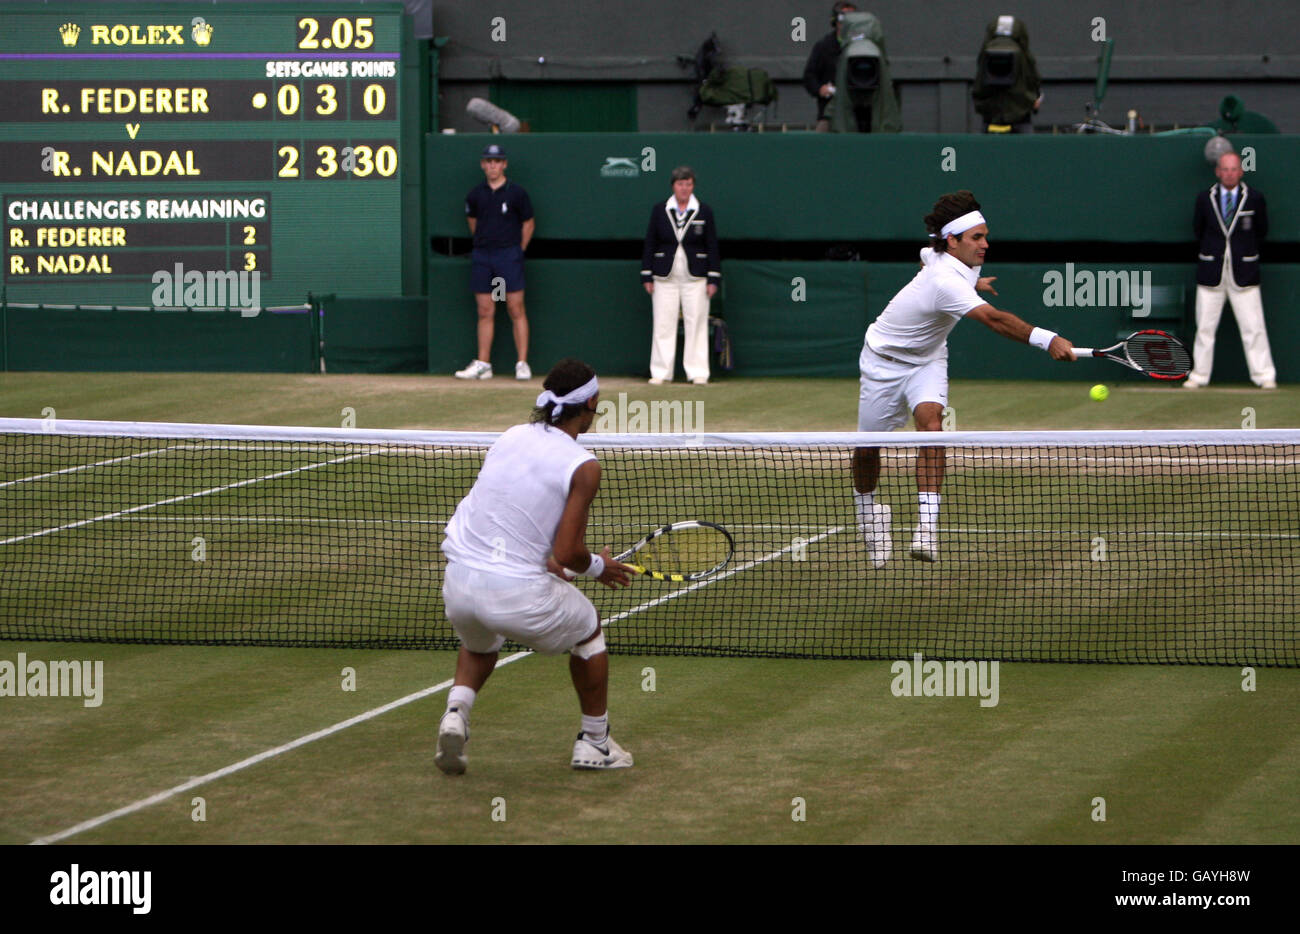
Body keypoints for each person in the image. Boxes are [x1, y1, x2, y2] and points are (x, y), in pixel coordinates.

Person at [852, 191, 1076, 565]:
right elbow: (994, 320)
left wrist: (973, 284)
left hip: (927, 360)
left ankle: (926, 527)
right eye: (977, 238)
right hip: (881, 363)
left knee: (932, 425)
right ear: (953, 240)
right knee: (867, 449)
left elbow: (927, 255)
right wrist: (1048, 339)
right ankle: (868, 514)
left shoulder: (946, 259)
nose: (985, 244)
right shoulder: (945, 280)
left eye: (985, 236)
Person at [436, 358, 635, 774]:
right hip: (515, 595)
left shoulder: (511, 436)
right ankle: (595, 743)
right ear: (591, 403)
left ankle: (456, 710)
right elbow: (569, 553)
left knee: (479, 640)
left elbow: (508, 523)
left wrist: (546, 563)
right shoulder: (584, 465)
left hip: (458, 585)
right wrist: (600, 567)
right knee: (589, 631)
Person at [1185, 151, 1276, 389]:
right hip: (1210, 274)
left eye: (1233, 169)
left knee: (1253, 327)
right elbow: (1198, 230)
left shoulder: (1255, 198)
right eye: (1224, 169)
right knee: (1204, 328)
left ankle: (1264, 375)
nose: (1229, 173)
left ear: (1241, 171)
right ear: (1218, 172)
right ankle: (1199, 376)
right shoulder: (1205, 198)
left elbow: (1261, 231)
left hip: (1244, 274)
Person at [455, 143, 535, 381]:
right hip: (483, 256)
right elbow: (473, 222)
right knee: (485, 309)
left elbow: (528, 223)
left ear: (504, 164)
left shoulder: (517, 193)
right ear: (483, 165)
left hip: (508, 256)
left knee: (514, 308)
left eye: (497, 161)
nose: (493, 165)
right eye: (489, 161)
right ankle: (483, 364)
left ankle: (521, 363)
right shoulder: (475, 194)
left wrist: (516, 251)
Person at [640, 166, 721, 385]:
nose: (684, 188)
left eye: (688, 184)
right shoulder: (660, 210)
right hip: (664, 275)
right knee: (663, 323)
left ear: (693, 186)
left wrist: (713, 277)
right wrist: (647, 275)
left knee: (697, 322)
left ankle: (698, 372)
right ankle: (661, 371)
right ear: (673, 186)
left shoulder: (704, 211)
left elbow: (712, 245)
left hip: (696, 277)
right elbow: (650, 242)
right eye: (680, 184)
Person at [971, 15, 1042, 134]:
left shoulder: (985, 53)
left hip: (990, 119)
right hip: (1021, 119)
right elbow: (1034, 81)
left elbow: (978, 87)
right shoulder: (1025, 56)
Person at [803, 2, 856, 132]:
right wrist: (820, 89)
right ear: (836, 22)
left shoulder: (864, 47)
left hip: (858, 112)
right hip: (829, 111)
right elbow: (809, 75)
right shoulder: (823, 46)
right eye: (843, 19)